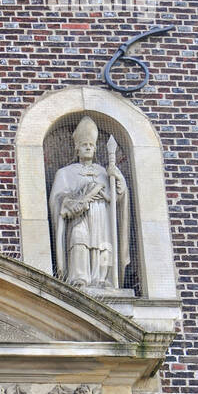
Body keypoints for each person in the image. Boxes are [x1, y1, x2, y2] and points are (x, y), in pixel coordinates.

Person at [49, 116, 129, 293]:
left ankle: (103, 279)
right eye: (84, 144)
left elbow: (117, 197)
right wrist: (73, 201)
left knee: (103, 245)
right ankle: (79, 278)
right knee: (79, 239)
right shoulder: (65, 172)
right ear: (76, 147)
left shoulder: (103, 172)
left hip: (101, 214)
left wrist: (118, 179)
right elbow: (57, 198)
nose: (87, 147)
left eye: (91, 145)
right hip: (79, 216)